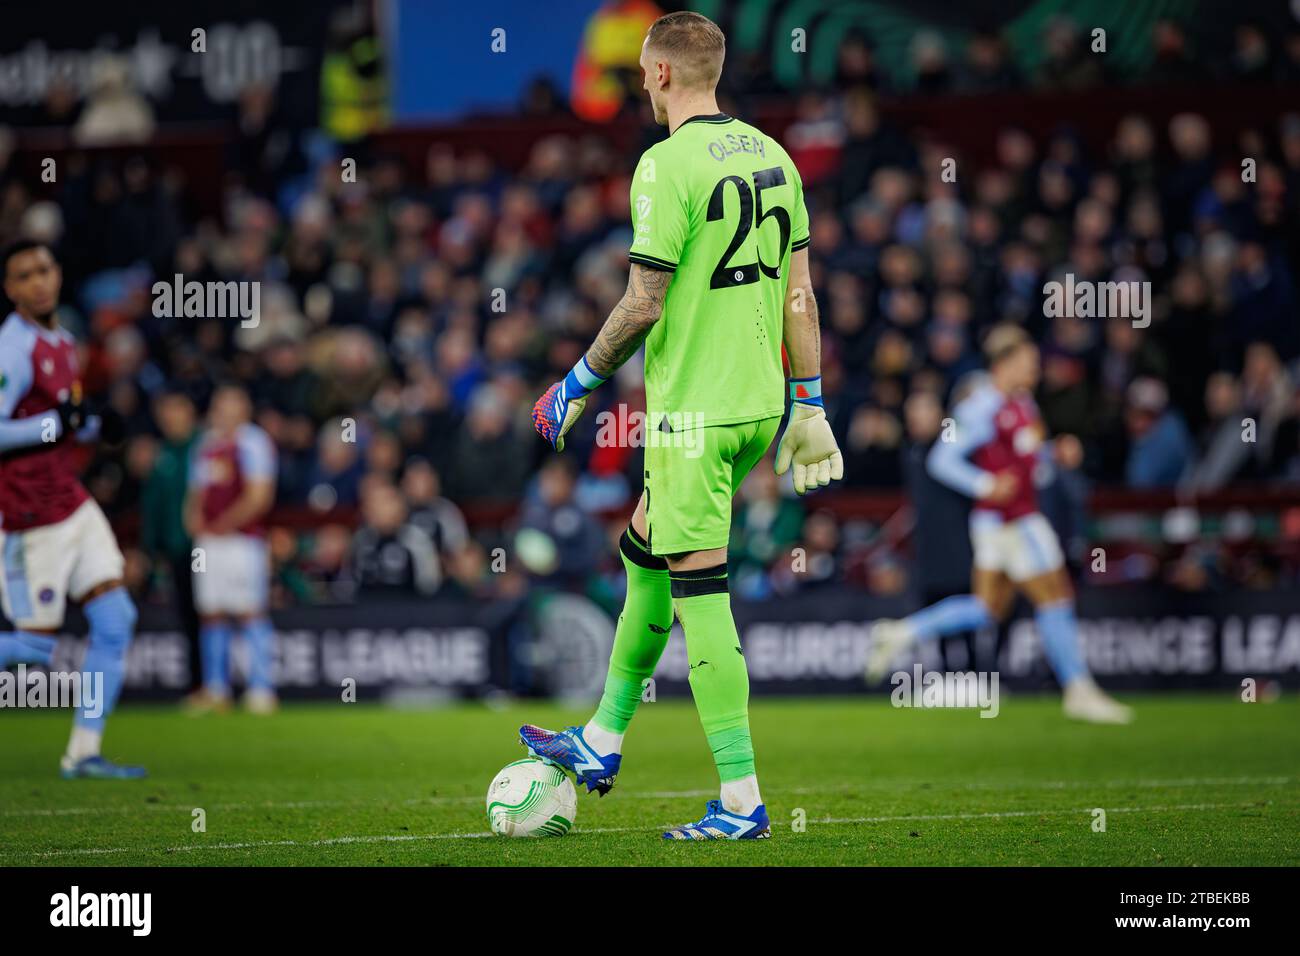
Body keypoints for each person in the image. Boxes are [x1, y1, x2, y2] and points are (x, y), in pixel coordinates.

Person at [522, 11, 844, 840]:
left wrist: (579, 381)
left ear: (662, 74)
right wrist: (808, 402)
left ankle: (743, 802)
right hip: (757, 406)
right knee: (643, 555)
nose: (638, 80)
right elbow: (801, 295)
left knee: (702, 597)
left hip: (692, 416)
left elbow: (644, 299)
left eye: (639, 68)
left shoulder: (666, 165)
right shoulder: (775, 155)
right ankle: (600, 739)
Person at [867, 324, 1132, 724]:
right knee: (1055, 596)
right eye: (1028, 363)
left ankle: (901, 632)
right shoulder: (982, 407)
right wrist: (985, 483)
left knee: (987, 608)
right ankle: (1078, 688)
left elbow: (1028, 458)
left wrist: (1054, 453)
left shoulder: (1022, 403)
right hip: (1013, 522)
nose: (1035, 370)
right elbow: (942, 459)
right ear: (1004, 364)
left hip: (1004, 522)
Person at [0, 239, 145, 778]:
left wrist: (93, 424)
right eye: (23, 275)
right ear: (10, 289)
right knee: (34, 651)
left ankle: (83, 753)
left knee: (116, 619)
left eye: (44, 268)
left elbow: (65, 416)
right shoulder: (12, 348)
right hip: (28, 514)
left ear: (57, 273)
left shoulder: (63, 341)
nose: (38, 281)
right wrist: (54, 425)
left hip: (71, 501)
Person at [183, 384, 279, 715]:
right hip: (209, 543)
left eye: (232, 404)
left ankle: (261, 688)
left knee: (250, 609)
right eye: (220, 404)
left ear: (244, 408)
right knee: (211, 612)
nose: (224, 411)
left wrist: (225, 522)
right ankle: (215, 688)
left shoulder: (253, 442)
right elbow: (196, 492)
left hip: (242, 540)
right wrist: (193, 518)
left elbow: (259, 495)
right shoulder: (205, 444)